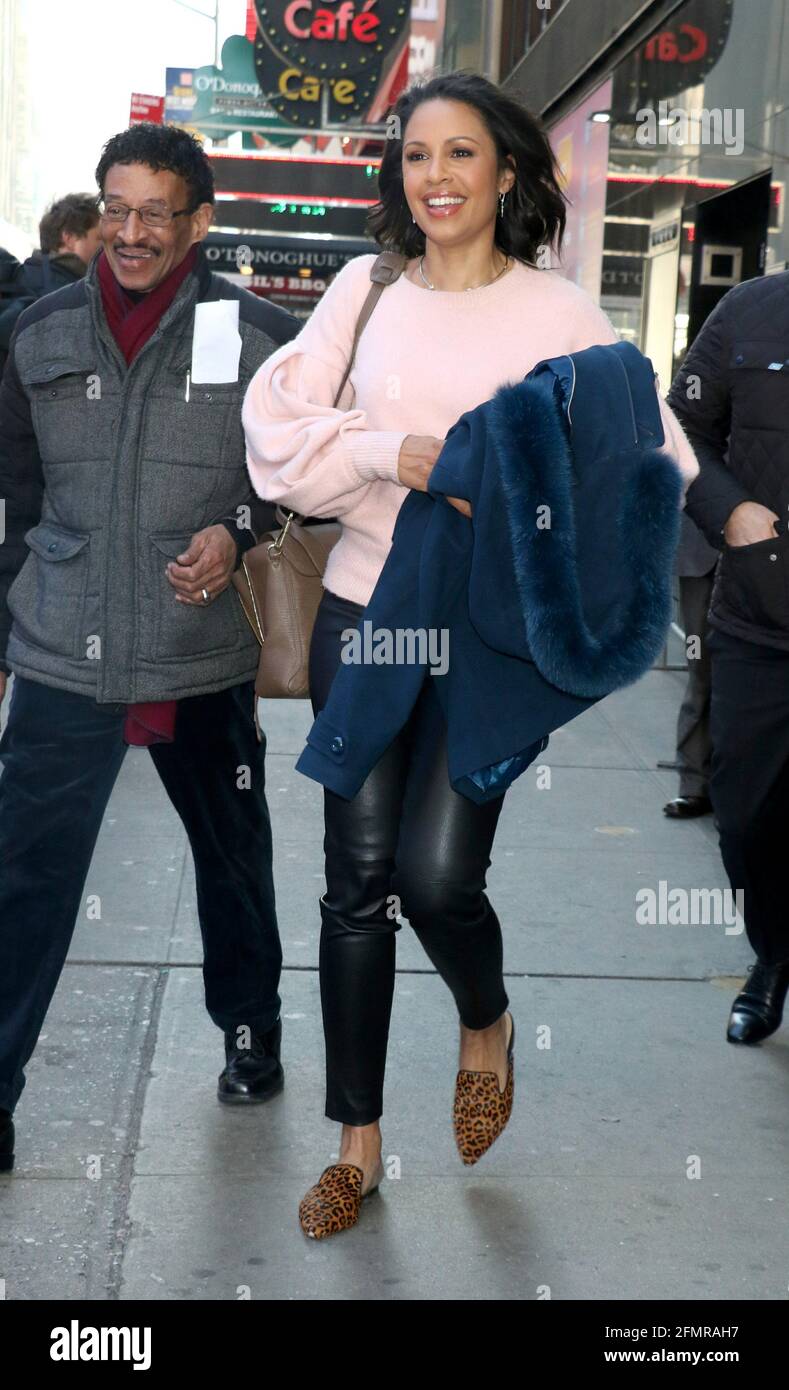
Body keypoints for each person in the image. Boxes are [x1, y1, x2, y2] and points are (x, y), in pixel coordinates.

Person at [243, 71, 700, 1239]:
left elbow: (654, 455)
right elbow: (277, 440)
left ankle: (485, 1019)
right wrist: (394, 451)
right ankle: (358, 1145)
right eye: (414, 156)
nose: (434, 177)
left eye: (459, 154)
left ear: (506, 172)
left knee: (437, 879)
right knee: (356, 885)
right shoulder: (366, 287)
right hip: (364, 613)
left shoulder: (556, 314)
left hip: (486, 635)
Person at [0, 123, 299, 1174]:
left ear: (198, 222)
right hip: (60, 652)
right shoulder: (38, 334)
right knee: (23, 877)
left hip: (196, 651)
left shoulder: (259, 336)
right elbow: (20, 503)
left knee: (231, 856)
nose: (129, 232)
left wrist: (240, 528)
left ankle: (251, 1027)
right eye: (114, 209)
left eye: (153, 213)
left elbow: (297, 479)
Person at [668, 269, 789, 1045]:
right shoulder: (750, 310)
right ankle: (772, 953)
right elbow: (678, 430)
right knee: (744, 817)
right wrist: (730, 511)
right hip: (758, 618)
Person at [0, 194, 103, 380]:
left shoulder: (25, 276)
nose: (106, 246)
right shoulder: (71, 294)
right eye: (99, 238)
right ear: (69, 239)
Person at [662, 512, 718, 819]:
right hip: (701, 551)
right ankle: (693, 784)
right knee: (700, 669)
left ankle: (737, 785)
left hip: (766, 551)